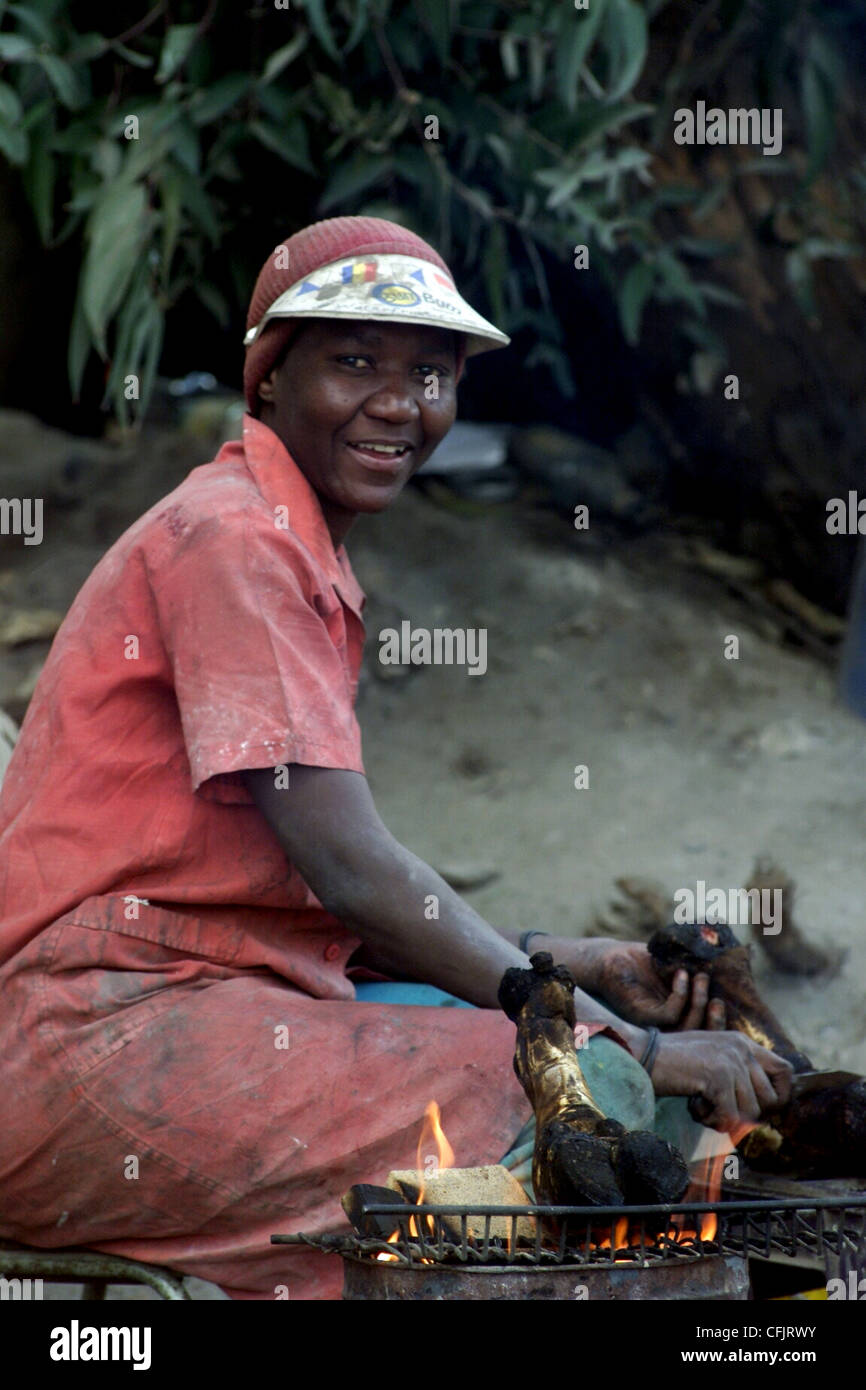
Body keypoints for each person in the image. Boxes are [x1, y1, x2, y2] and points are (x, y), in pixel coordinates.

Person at [0, 217, 792, 1300]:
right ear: (270, 379)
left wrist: (566, 961)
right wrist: (625, 1042)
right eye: (355, 362)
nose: (399, 402)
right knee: (582, 1085)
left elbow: (296, 912)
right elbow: (354, 875)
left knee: (565, 1077)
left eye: (429, 372)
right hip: (97, 1051)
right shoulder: (235, 542)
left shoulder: (280, 542)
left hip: (171, 1024)